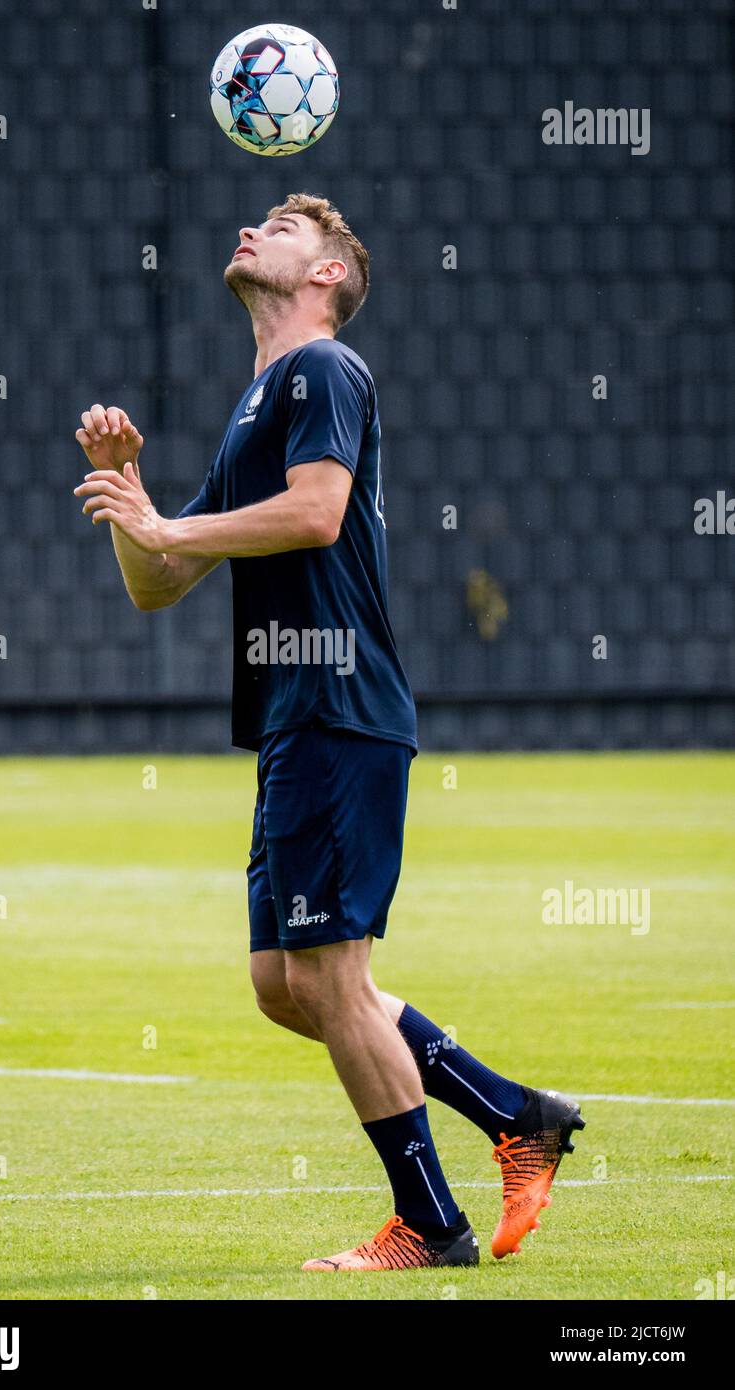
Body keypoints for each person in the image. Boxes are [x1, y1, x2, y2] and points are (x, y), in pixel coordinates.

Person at [73, 193, 584, 1271]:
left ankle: (432, 1225)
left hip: (339, 702)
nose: (253, 231)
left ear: (327, 280)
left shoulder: (323, 373)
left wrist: (168, 521)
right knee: (284, 984)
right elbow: (160, 584)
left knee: (333, 980)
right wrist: (132, 497)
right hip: (292, 718)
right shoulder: (258, 398)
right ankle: (515, 1112)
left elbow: (317, 513)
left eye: (284, 227)